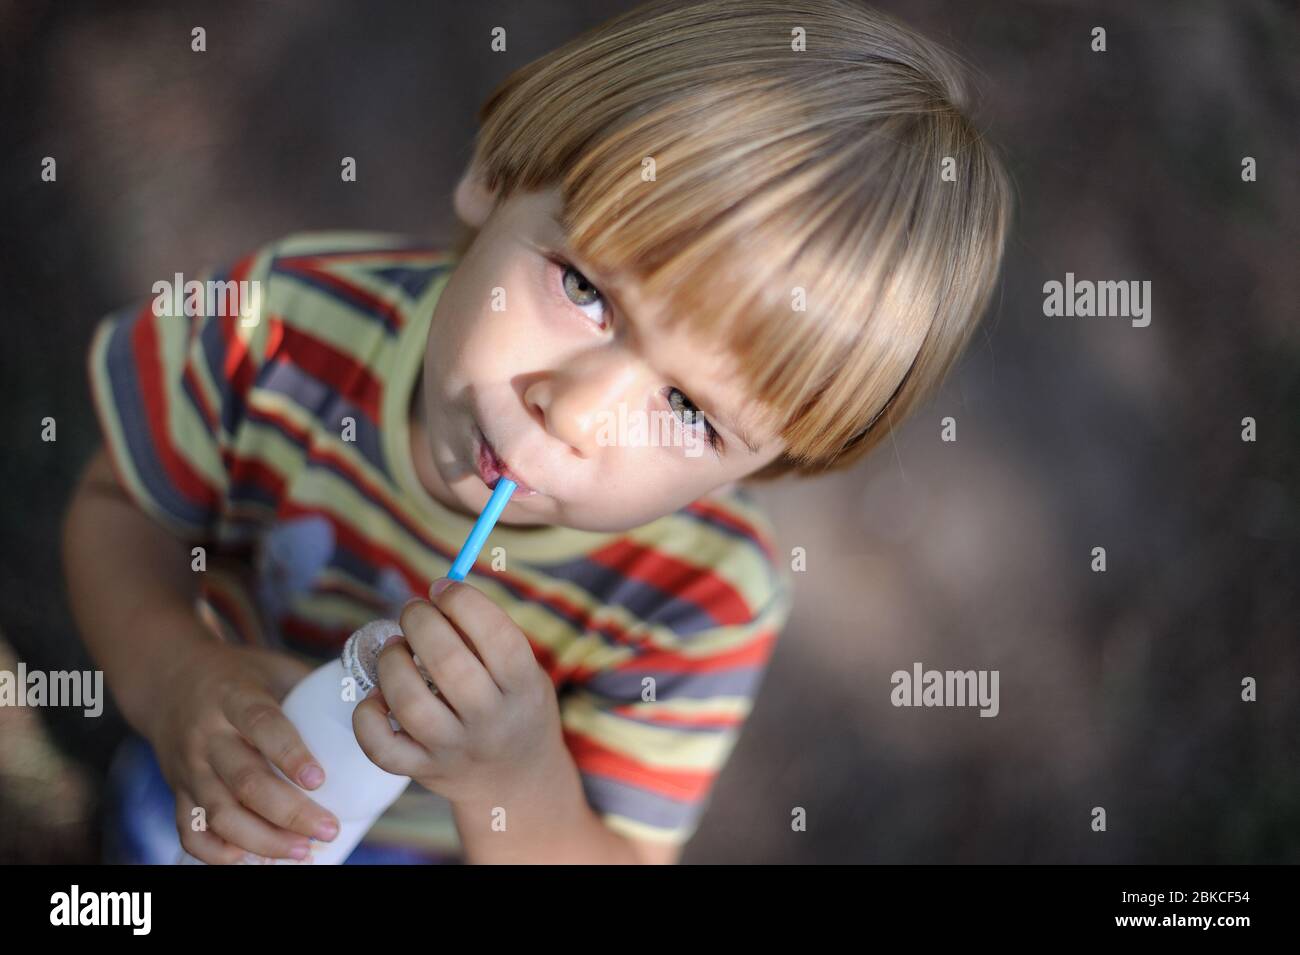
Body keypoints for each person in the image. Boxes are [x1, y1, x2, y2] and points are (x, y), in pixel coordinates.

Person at [63, 0, 1010, 864]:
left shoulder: (700, 600)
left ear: (782, 461)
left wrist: (514, 779)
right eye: (586, 289)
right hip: (208, 758)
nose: (580, 410)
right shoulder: (272, 328)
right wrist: (178, 679)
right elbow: (119, 514)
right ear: (496, 173)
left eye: (690, 411)